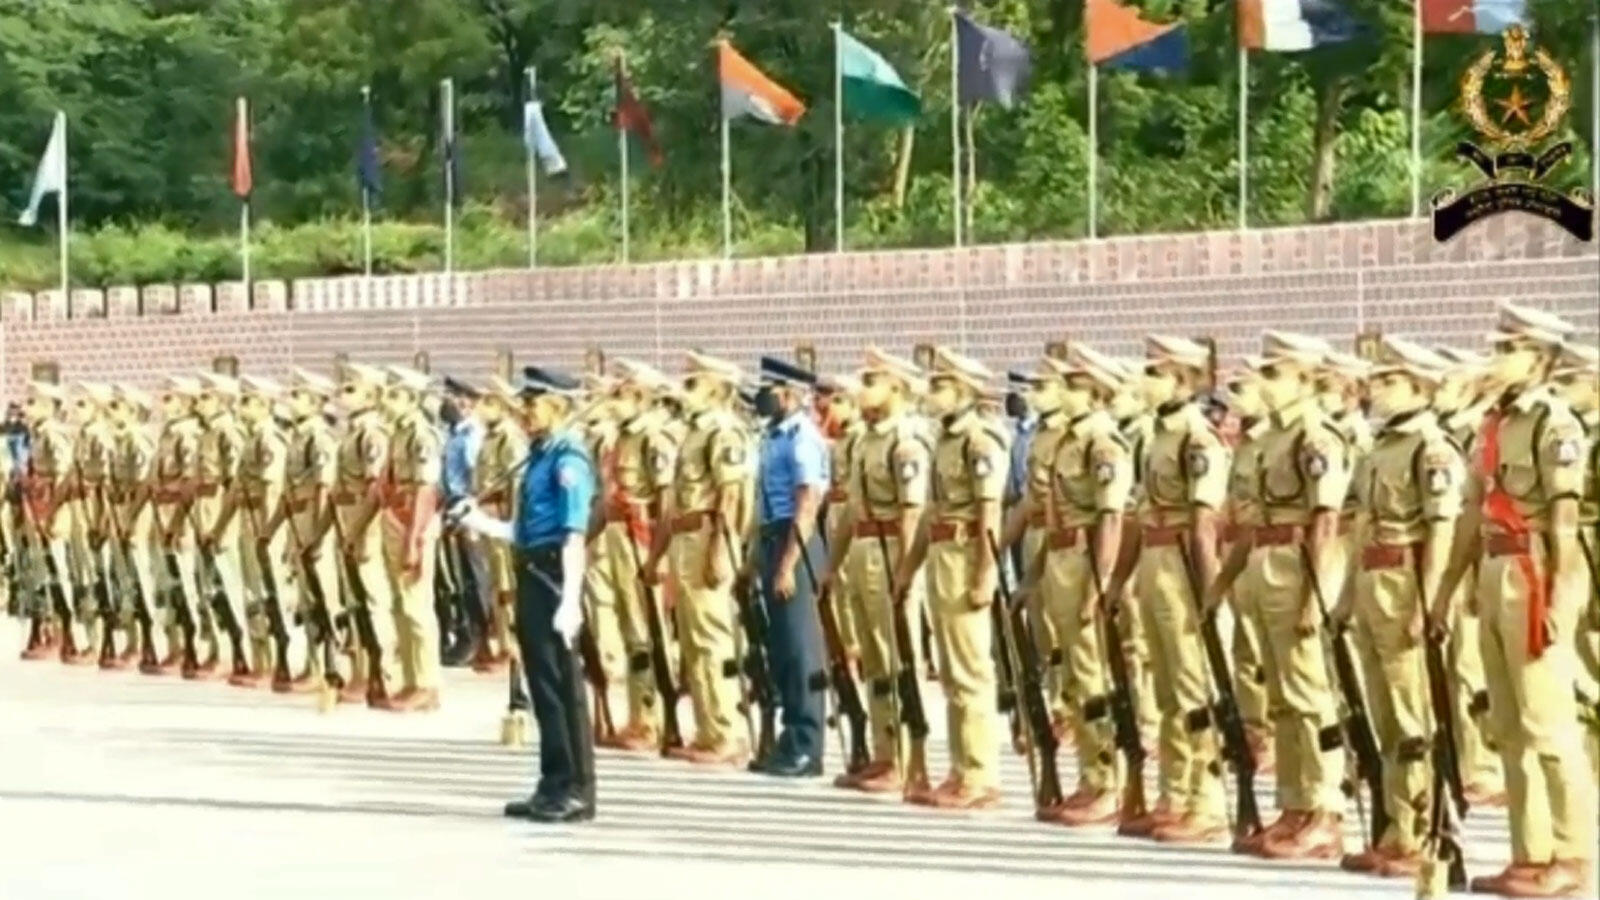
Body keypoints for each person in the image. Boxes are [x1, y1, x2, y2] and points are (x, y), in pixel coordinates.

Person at [1441, 302, 1596, 898]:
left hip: (1534, 573)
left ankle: (1574, 855)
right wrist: (1449, 590)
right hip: (1496, 567)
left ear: (1540, 359)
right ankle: (1530, 853)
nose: (1497, 357)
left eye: (1510, 349)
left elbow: (1561, 523)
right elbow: (1471, 511)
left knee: (1549, 724)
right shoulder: (1496, 423)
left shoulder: (1554, 424)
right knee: (1508, 725)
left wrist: (1560, 601)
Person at [1209, 331, 1350, 860]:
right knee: (1283, 700)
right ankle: (1293, 805)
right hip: (1263, 564)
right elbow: (1246, 521)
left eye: (1274, 374)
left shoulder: (1317, 437)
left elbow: (1326, 519)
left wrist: (1316, 597)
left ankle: (1324, 809)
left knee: (1311, 696)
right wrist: (1219, 586)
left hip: (1298, 569)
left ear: (1305, 380)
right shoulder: (1266, 440)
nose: (1263, 384)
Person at [1331, 336, 1463, 879]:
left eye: (1389, 381)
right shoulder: (1377, 447)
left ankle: (1421, 832)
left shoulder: (1430, 448)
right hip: (1371, 580)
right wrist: (1343, 597)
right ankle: (1393, 827)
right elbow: (1358, 526)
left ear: (1419, 387)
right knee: (1382, 712)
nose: (1376, 389)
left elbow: (1441, 530)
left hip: (1406, 581)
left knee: (1413, 719)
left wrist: (1428, 603)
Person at [455, 365, 597, 824]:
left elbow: (573, 534)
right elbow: (523, 530)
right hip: (532, 570)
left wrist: (571, 599)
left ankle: (575, 786)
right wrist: (477, 522)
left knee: (561, 686)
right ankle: (551, 781)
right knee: (541, 686)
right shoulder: (538, 457)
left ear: (557, 406)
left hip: (556, 574)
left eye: (534, 403)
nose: (525, 411)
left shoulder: (568, 460)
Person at [1023, 344, 1132, 825]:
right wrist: (1033, 576)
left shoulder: (1102, 442)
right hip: (1062, 559)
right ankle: (1089, 777)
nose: (1063, 393)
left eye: (1073, 385)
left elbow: (1110, 519)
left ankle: (1107, 782)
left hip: (1087, 562)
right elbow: (1052, 518)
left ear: (1096, 393)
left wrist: (1100, 586)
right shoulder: (1067, 440)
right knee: (1072, 676)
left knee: (1093, 680)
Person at [820, 347, 932, 798]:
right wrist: (831, 566)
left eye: (873, 381)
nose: (862, 389)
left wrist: (905, 573)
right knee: (872, 659)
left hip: (890, 550)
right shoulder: (865, 441)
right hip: (864, 546)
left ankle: (907, 754)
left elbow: (911, 513)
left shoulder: (906, 441)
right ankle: (884, 751)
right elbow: (849, 511)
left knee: (895, 654)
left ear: (898, 389)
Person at [643, 351, 753, 766]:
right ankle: (708, 729)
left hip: (708, 534)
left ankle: (727, 731)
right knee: (691, 639)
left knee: (712, 638)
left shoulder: (723, 431)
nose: (685, 390)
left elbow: (729, 495)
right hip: (685, 536)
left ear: (717, 389)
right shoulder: (692, 431)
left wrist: (721, 551)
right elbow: (674, 501)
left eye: (693, 383)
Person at [749, 356, 831, 778]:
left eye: (774, 389)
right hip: (770, 536)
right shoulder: (773, 436)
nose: (766, 396)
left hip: (792, 541)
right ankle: (789, 736)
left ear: (792, 394)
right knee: (780, 646)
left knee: (800, 648)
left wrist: (787, 563)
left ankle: (807, 742)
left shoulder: (802, 437)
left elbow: (807, 502)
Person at [380, 366, 445, 711]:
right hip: (395, 517)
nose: (387, 401)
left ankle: (427, 682)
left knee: (417, 606)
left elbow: (425, 489)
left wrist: (413, 538)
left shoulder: (422, 435)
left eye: (394, 394)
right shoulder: (398, 433)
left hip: (413, 523)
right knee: (401, 606)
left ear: (410, 399)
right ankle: (409, 679)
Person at [439, 376, 488, 668]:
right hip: (451, 507)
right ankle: (466, 633)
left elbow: (476, 477)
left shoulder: (472, 436)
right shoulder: (454, 433)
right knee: (460, 577)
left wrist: (471, 513)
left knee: (475, 577)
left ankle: (479, 637)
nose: (449, 402)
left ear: (468, 403)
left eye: (455, 397)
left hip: (467, 508)